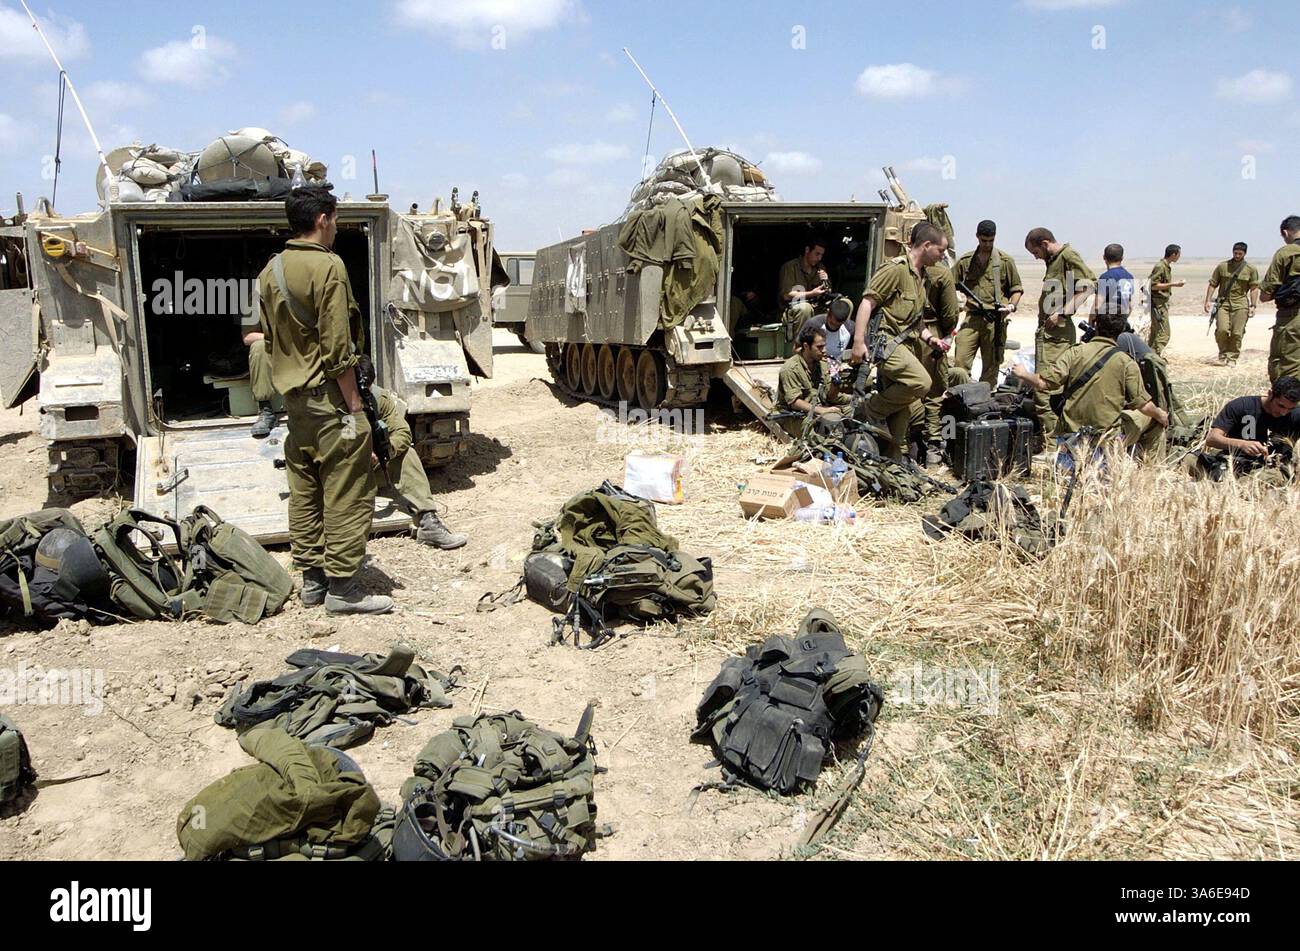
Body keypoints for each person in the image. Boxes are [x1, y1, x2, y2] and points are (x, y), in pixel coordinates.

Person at [258, 185, 393, 615]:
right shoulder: (329, 267)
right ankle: (344, 589)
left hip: (295, 405)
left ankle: (313, 582)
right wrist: (357, 410)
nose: (335, 228)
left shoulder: (271, 269)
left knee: (305, 489)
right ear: (322, 220)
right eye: (334, 220)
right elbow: (337, 352)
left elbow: (266, 338)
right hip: (334, 403)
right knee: (348, 488)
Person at [1010, 311, 1169, 465]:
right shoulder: (1126, 362)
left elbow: (1043, 383)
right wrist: (1161, 415)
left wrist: (1023, 374)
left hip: (1070, 437)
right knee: (1153, 418)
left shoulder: (1075, 352)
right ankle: (1150, 467)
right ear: (1120, 332)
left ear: (1096, 325)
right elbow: (1143, 405)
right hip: (1104, 439)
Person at [850, 222, 950, 459]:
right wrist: (858, 342)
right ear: (926, 246)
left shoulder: (920, 277)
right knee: (921, 383)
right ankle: (867, 410)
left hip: (906, 346)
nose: (943, 257)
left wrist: (930, 339)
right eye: (940, 251)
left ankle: (893, 461)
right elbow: (867, 302)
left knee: (901, 414)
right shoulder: (895, 269)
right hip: (886, 343)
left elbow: (917, 321)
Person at [353, 355, 467, 550]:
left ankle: (428, 522)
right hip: (343, 473)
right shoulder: (333, 406)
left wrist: (387, 450)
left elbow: (402, 432)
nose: (364, 395)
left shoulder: (378, 398)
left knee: (407, 453)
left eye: (367, 389)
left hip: (372, 468)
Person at [1024, 227, 1097, 437]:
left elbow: (1088, 285)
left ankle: (1053, 443)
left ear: (1045, 244)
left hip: (1057, 336)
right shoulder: (1055, 260)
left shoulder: (1067, 256)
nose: (1037, 258)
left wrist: (1062, 314)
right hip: (1049, 336)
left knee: (1044, 392)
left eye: (1036, 253)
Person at [952, 220, 1023, 386]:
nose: (987, 244)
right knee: (960, 361)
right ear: (977, 237)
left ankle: (985, 401)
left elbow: (1016, 289)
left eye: (991, 240)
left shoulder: (1005, 261)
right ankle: (961, 395)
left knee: (991, 367)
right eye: (984, 240)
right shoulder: (966, 261)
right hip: (972, 318)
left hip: (995, 321)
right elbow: (949, 283)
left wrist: (1011, 306)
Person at [1191, 376, 1300, 481]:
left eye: (1290, 408)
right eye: (1280, 406)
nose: (1284, 412)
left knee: (1269, 478)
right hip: (1233, 462)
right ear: (1270, 394)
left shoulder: (1296, 415)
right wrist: (1242, 444)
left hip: (1272, 469)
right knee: (1190, 459)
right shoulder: (1242, 406)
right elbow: (1212, 439)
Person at [918, 261, 960, 466]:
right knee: (936, 391)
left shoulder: (900, 267)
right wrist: (946, 334)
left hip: (908, 334)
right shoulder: (942, 273)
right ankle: (933, 445)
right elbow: (951, 313)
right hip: (933, 333)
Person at [776, 326, 851, 438]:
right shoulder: (790, 369)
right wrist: (822, 411)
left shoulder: (822, 364)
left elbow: (830, 397)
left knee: (852, 413)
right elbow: (794, 402)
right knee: (816, 432)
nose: (824, 350)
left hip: (818, 408)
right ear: (806, 346)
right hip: (795, 415)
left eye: (824, 346)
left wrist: (836, 381)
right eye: (819, 347)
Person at [1203, 243, 1260, 367]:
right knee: (1222, 330)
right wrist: (1207, 301)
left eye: (1240, 253)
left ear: (1245, 253)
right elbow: (1213, 284)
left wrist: (1253, 305)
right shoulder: (1223, 266)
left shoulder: (1250, 269)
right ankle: (1223, 354)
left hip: (1241, 304)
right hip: (1223, 303)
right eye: (1235, 253)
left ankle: (1232, 357)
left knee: (1237, 333)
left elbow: (1254, 288)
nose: (1237, 255)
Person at [1260, 215, 1300, 382]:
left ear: (1285, 232)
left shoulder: (1286, 253)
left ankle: (1292, 407)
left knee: (1286, 367)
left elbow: (1266, 294)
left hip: (1292, 318)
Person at [779, 237, 830, 341]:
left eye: (821, 255)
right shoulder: (790, 267)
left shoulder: (820, 268)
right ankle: (800, 347)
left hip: (816, 307)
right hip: (793, 310)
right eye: (817, 254)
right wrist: (812, 293)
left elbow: (827, 292)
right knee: (805, 308)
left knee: (841, 305)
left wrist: (826, 281)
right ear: (807, 250)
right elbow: (786, 295)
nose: (819, 258)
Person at [1145, 244, 1184, 355]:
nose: (1179, 257)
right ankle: (1154, 356)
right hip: (1158, 305)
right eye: (1178, 254)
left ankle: (1149, 355)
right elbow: (1153, 286)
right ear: (1173, 254)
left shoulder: (1165, 266)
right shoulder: (1160, 266)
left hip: (1160, 304)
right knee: (1164, 334)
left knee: (1155, 333)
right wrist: (1174, 284)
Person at [244, 330, 278, 438]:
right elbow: (248, 337)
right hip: (273, 347)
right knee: (259, 346)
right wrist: (279, 337)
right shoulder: (254, 312)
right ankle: (265, 409)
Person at [1095, 243, 1136, 320]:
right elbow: (1130, 305)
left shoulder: (1105, 277)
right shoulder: (1129, 277)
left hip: (1107, 324)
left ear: (1104, 257)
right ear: (1122, 258)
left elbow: (1098, 306)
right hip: (1122, 323)